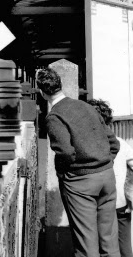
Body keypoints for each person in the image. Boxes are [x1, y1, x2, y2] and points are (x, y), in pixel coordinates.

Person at [36, 68, 120, 257]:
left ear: (42, 92)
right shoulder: (87, 107)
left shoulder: (54, 117)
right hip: (107, 176)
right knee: (109, 240)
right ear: (61, 85)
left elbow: (65, 152)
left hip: (80, 181)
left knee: (87, 244)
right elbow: (113, 143)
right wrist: (104, 163)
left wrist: (65, 174)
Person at [89, 98, 133, 257]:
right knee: (124, 245)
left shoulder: (86, 146)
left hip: (99, 204)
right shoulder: (120, 142)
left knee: (103, 246)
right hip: (121, 202)